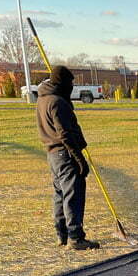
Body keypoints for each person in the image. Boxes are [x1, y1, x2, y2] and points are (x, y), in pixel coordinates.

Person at [35, 65, 99, 251]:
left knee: (60, 194)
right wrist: (79, 158)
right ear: (63, 83)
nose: (72, 87)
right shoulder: (57, 102)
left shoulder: (43, 99)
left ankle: (61, 235)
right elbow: (65, 134)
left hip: (52, 155)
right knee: (73, 195)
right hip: (65, 153)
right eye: (70, 83)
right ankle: (75, 237)